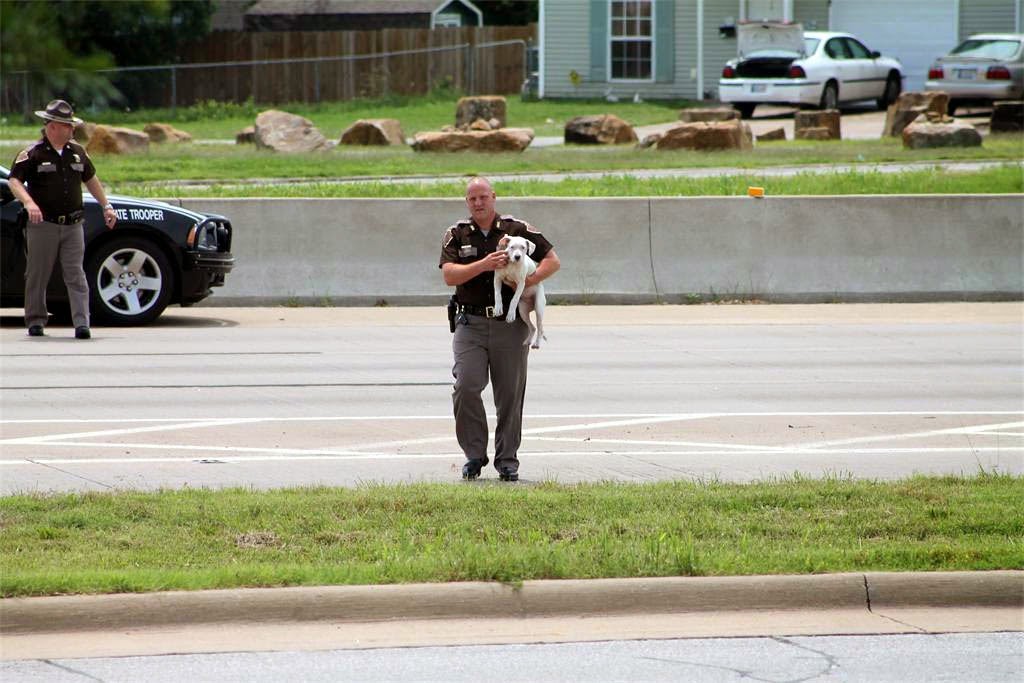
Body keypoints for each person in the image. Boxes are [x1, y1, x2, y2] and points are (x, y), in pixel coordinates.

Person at [439, 177, 560, 481]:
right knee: (466, 386)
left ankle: (507, 460)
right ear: (467, 202)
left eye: (483, 197)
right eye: (472, 199)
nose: (478, 203)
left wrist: (528, 281)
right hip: (471, 323)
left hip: (510, 324)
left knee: (510, 395)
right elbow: (450, 275)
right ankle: (474, 455)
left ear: (493, 197)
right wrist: (484, 264)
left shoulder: (516, 229)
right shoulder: (457, 233)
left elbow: (552, 261)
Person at [8, 99, 117, 339]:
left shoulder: (77, 152)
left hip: (73, 223)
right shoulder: (33, 154)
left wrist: (106, 206)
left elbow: (91, 179)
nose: (72, 129)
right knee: (37, 274)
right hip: (43, 224)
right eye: (67, 125)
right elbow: (14, 181)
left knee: (76, 274)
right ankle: (36, 320)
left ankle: (82, 323)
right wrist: (28, 203)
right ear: (52, 126)